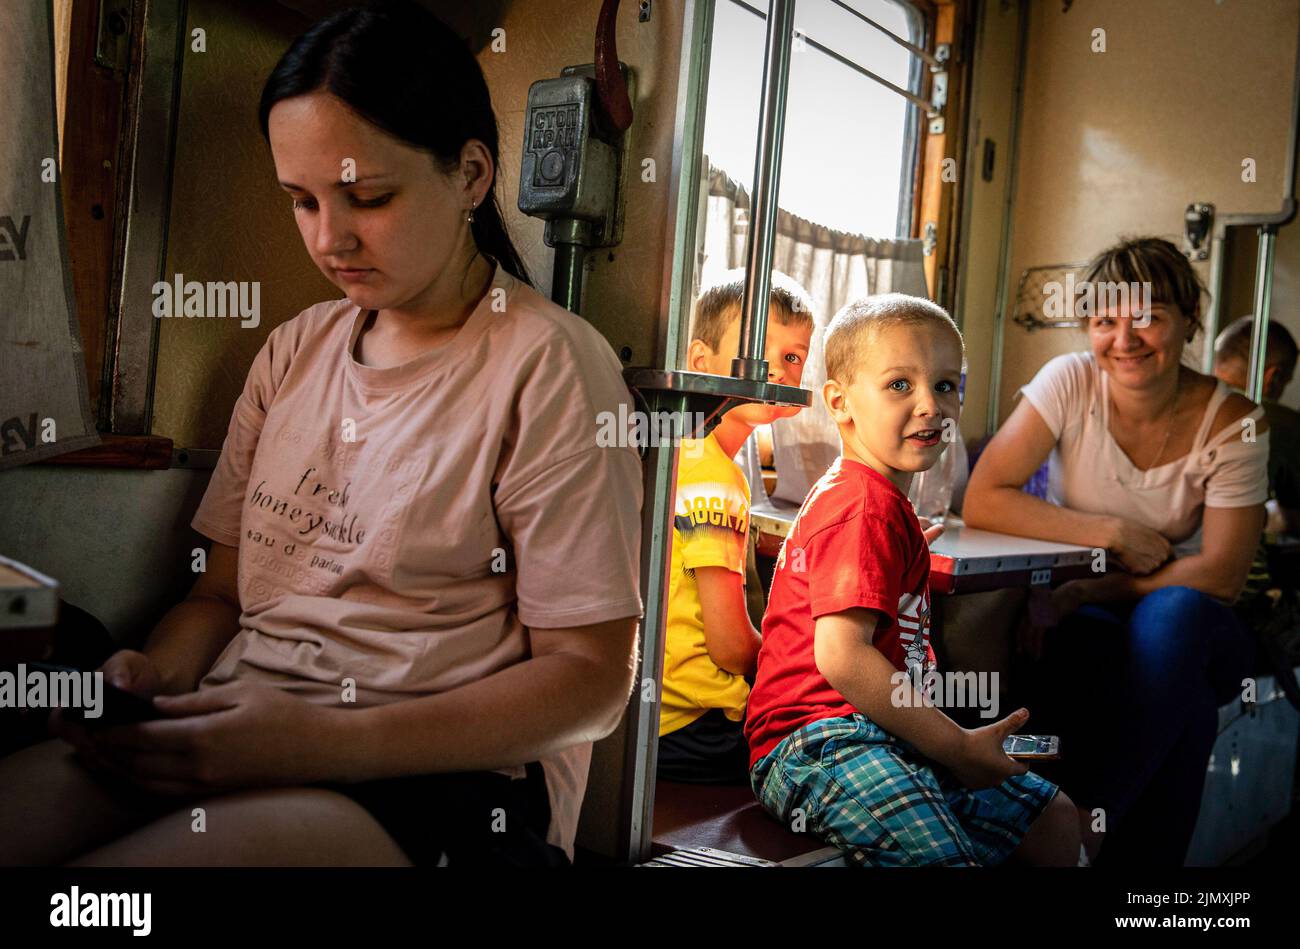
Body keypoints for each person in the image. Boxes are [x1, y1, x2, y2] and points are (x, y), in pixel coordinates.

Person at [0, 1, 643, 867]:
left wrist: (317, 742)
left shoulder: (551, 366)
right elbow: (217, 599)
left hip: (436, 781)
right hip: (239, 728)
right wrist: (155, 677)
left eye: (366, 197)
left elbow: (592, 684)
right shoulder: (296, 350)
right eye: (301, 202)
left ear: (472, 175)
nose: (329, 238)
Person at [744, 293, 1082, 866]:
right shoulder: (862, 506)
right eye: (900, 385)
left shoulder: (880, 506)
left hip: (882, 733)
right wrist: (956, 746)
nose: (931, 404)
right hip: (820, 742)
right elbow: (842, 660)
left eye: (946, 386)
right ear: (840, 403)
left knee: (1053, 817)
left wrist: (895, 565)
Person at [963, 236, 1268, 866]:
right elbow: (985, 498)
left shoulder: (1236, 419)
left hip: (1201, 629)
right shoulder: (1070, 381)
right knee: (1183, 717)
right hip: (1101, 625)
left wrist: (1083, 589)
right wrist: (1107, 532)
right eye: (1105, 320)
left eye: (1148, 317)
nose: (1124, 340)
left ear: (1188, 318)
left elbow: (1221, 575)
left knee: (1174, 617)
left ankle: (1082, 827)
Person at [656, 270, 813, 784]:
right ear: (701, 362)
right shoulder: (715, 477)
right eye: (759, 351)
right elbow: (729, 646)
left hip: (656, 717)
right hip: (693, 723)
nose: (780, 372)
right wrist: (800, 659)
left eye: (793, 357)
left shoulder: (679, 450)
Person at [1213, 315, 1300, 536]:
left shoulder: (1183, 403)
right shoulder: (1278, 420)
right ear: (1274, 376)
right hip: (1240, 566)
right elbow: (1295, 518)